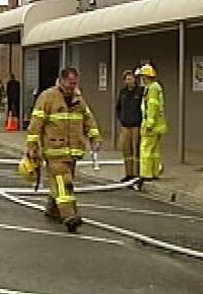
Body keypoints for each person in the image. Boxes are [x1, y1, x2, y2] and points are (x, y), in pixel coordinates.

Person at [25, 67, 103, 232]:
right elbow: (36, 124)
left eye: (74, 83)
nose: (71, 87)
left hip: (73, 153)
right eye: (69, 83)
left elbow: (88, 120)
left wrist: (95, 138)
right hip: (54, 151)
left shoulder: (78, 100)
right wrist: (32, 147)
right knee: (64, 183)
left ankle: (52, 210)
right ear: (61, 80)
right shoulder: (47, 97)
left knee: (61, 183)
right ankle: (69, 216)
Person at [137, 64, 168, 184]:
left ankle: (146, 174)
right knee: (154, 151)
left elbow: (152, 107)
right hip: (158, 125)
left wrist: (149, 124)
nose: (142, 79)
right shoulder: (155, 87)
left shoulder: (152, 88)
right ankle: (154, 172)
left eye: (143, 76)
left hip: (152, 125)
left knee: (146, 149)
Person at [114, 69, 144, 182]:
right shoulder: (123, 92)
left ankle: (137, 174)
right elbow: (118, 107)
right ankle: (128, 174)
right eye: (127, 79)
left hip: (136, 125)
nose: (129, 81)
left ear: (135, 79)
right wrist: (121, 118)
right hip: (125, 125)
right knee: (126, 150)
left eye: (131, 78)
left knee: (136, 149)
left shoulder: (140, 91)